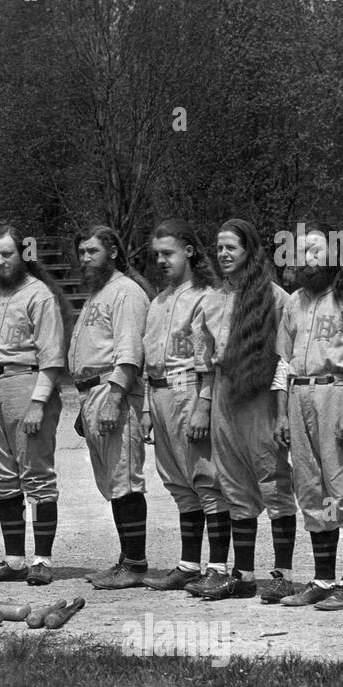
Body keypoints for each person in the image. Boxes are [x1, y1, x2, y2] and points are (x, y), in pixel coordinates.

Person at [188, 218, 298, 601]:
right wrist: (203, 406)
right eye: (219, 248)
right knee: (232, 482)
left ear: (249, 251)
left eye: (231, 247)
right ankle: (244, 574)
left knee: (273, 480)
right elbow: (204, 363)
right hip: (224, 394)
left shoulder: (276, 297)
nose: (223, 255)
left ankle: (282, 574)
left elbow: (286, 359)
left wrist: (283, 411)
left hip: (261, 395)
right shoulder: (211, 300)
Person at [273, 222, 343, 610]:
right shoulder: (295, 300)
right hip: (299, 394)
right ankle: (323, 577)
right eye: (302, 251)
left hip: (336, 391)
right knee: (312, 488)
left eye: (316, 251)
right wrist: (281, 412)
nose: (307, 259)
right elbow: (283, 361)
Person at [0, 225, 68, 585]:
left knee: (36, 476)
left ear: (21, 254)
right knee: (2, 477)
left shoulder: (39, 295)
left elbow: (52, 356)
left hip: (27, 382)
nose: (1, 261)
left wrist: (39, 402)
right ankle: (14, 560)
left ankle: (42, 558)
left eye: (7, 253)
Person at [138, 218, 232, 591]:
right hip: (160, 394)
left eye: (169, 253)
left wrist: (204, 404)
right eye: (157, 255)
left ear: (189, 252)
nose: (162, 261)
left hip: (190, 389)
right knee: (178, 483)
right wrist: (147, 407)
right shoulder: (158, 300)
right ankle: (188, 564)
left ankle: (219, 567)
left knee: (206, 479)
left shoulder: (207, 295)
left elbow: (208, 359)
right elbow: (149, 361)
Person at [68, 225, 153, 590]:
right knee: (111, 481)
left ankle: (136, 564)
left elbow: (130, 351)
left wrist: (114, 398)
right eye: (82, 252)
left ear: (114, 252)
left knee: (125, 479)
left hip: (113, 391)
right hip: (94, 392)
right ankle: (125, 558)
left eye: (93, 251)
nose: (85, 258)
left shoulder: (126, 292)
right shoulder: (99, 293)